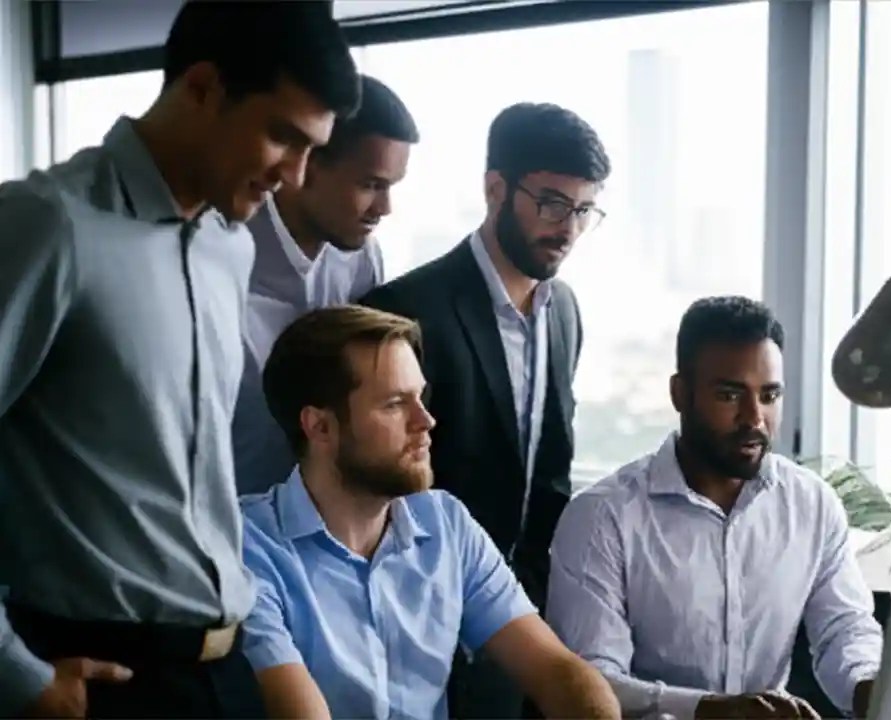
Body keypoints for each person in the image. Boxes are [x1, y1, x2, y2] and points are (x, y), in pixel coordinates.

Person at [0, 2, 360, 717]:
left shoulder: (231, 248)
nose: (294, 175)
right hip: (96, 679)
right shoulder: (49, 225)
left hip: (222, 672)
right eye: (283, 138)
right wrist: (15, 675)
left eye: (313, 151)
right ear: (202, 88)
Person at [238, 305, 621, 720]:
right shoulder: (249, 547)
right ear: (320, 428)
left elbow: (557, 670)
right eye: (394, 404)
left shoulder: (445, 525)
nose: (426, 420)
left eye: (420, 397)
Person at [360, 102, 610, 717]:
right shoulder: (407, 309)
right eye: (551, 204)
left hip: (523, 621)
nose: (568, 228)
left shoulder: (565, 311)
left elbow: (550, 466)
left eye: (584, 210)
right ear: (495, 189)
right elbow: (377, 481)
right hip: (421, 620)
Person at [547, 296, 884, 720]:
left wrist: (870, 689)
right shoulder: (602, 518)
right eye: (730, 395)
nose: (754, 418)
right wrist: (707, 711)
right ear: (679, 393)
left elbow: (844, 631)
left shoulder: (812, 506)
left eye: (769, 395)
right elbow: (591, 680)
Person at [234, 73, 419, 495]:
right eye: (371, 185)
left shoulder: (361, 257)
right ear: (306, 166)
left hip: (326, 520)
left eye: (392, 187)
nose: (385, 208)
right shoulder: (223, 258)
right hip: (231, 522)